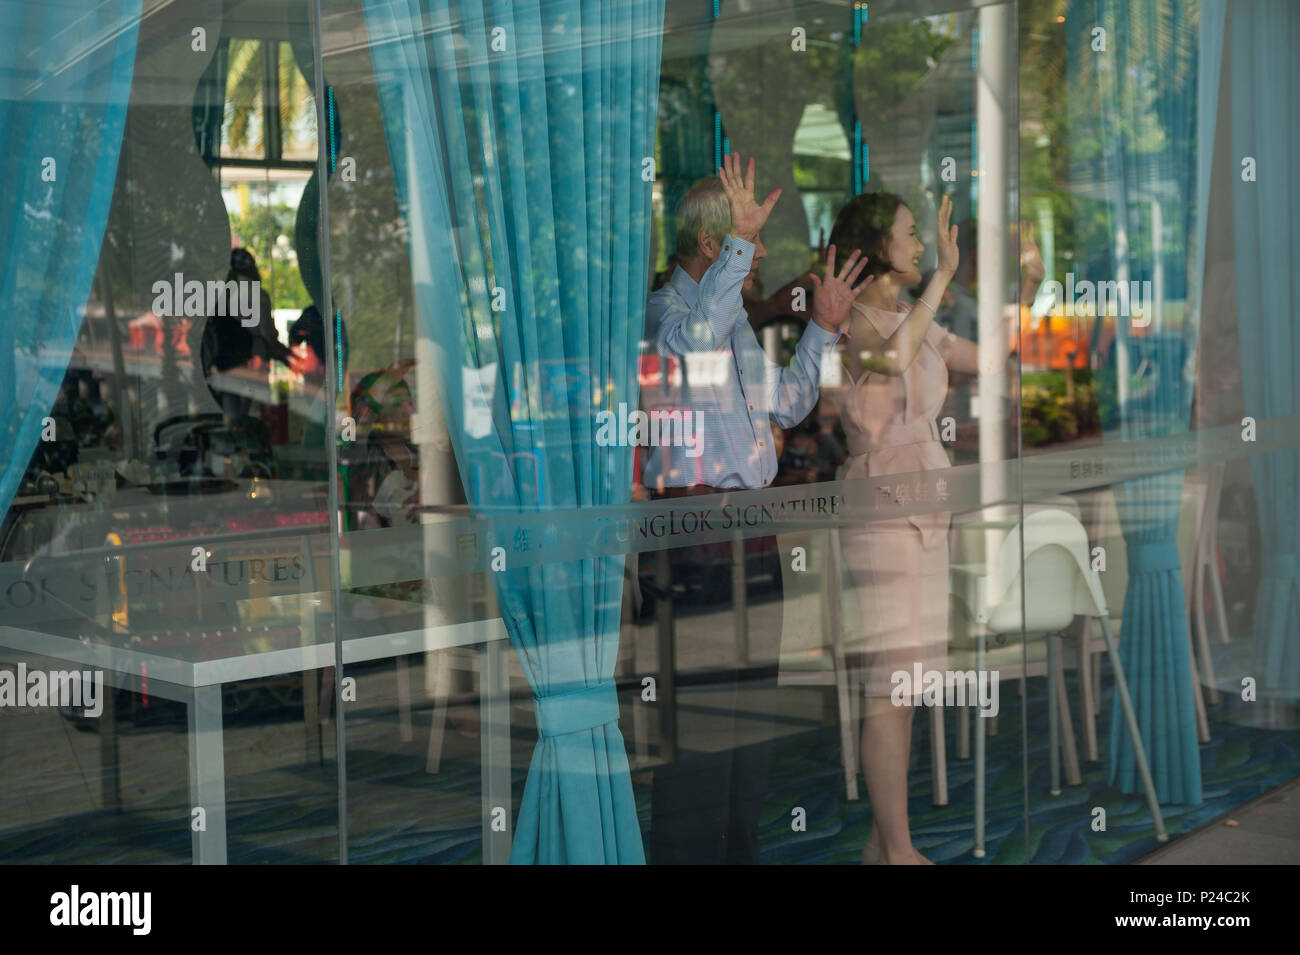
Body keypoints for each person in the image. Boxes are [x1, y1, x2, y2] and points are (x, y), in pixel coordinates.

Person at [643, 153, 871, 863]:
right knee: (705, 728)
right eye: (746, 240)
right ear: (713, 247)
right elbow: (693, 344)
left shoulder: (732, 319)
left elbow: (789, 403)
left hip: (752, 528)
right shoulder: (665, 316)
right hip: (696, 532)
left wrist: (824, 330)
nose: (761, 254)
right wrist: (739, 257)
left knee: (750, 720)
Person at [831, 192, 980, 864]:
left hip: (927, 507)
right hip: (883, 509)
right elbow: (889, 364)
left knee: (910, 685)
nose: (922, 245)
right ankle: (897, 851)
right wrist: (944, 279)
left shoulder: (908, 317)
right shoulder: (853, 322)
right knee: (890, 687)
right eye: (911, 234)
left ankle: (882, 842)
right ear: (877, 249)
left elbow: (986, 355)